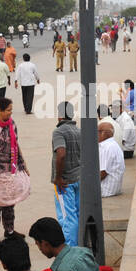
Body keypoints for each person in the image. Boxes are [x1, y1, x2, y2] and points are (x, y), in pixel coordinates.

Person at [0, 97, 29, 244]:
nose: (10, 113)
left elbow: (16, 144)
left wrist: (23, 163)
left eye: (11, 110)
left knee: (9, 201)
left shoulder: (12, 124)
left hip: (10, 169)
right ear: (0, 110)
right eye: (8, 110)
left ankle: (9, 230)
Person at [52, 102, 82, 245]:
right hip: (78, 179)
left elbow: (61, 154)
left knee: (67, 217)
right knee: (77, 214)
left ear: (59, 116)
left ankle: (70, 248)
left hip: (65, 183)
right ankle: (79, 243)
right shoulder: (78, 131)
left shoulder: (59, 132)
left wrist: (58, 178)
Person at [98, 120, 126, 198]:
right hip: (114, 187)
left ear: (102, 133)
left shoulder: (105, 147)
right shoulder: (113, 144)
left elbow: (102, 173)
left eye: (97, 132)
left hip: (106, 189)